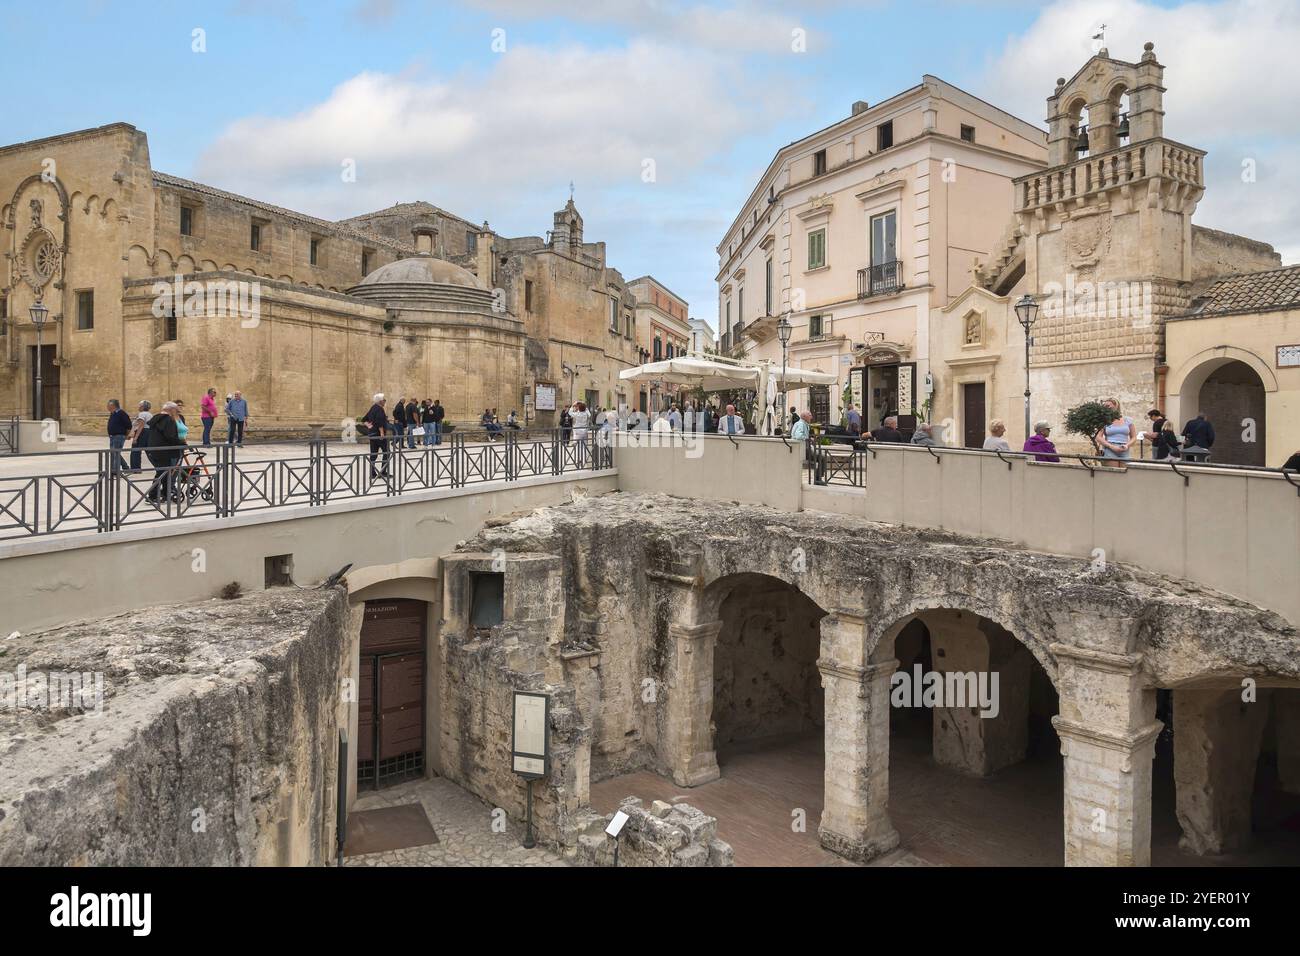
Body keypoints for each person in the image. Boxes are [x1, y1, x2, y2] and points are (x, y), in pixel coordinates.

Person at [145, 402, 182, 503]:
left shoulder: (156, 419)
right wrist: (181, 443)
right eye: (175, 410)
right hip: (165, 451)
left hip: (154, 449)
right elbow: (170, 436)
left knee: (164, 472)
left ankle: (165, 493)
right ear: (171, 410)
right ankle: (152, 495)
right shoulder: (168, 420)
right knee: (162, 473)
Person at [1094, 398, 1136, 464]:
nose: (1105, 408)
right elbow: (1098, 437)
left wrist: (1127, 445)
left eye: (1108, 406)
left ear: (1116, 406)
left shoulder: (1128, 420)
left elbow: (1134, 437)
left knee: (1125, 472)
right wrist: (1112, 447)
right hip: (1110, 449)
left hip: (1124, 449)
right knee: (1113, 473)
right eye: (1104, 406)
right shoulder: (1104, 420)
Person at [362, 393, 390, 478]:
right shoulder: (380, 409)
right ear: (380, 401)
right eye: (384, 400)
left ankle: (372, 473)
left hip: (372, 434)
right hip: (378, 435)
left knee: (373, 454)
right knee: (387, 452)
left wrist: (369, 426)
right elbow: (379, 421)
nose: (385, 402)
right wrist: (381, 433)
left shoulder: (373, 408)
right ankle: (383, 471)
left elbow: (364, 419)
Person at [106, 399, 132, 472]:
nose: (107, 407)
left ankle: (115, 471)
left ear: (113, 405)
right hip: (112, 436)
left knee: (115, 453)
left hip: (119, 436)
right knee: (114, 453)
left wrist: (127, 435)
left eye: (108, 405)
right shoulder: (113, 413)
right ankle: (126, 468)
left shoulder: (121, 413)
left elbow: (129, 425)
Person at [128, 400, 153, 473]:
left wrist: (136, 437)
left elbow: (141, 425)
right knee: (148, 451)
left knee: (135, 451)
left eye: (139, 405)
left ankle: (135, 469)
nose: (138, 407)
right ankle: (158, 465)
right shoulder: (149, 414)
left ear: (142, 407)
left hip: (142, 433)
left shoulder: (141, 414)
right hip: (148, 432)